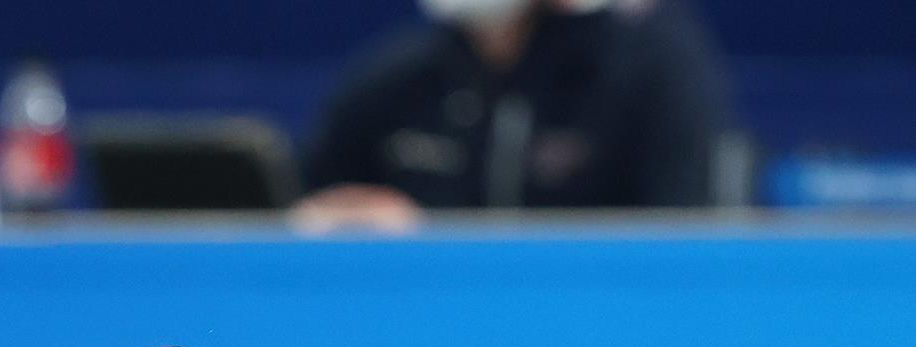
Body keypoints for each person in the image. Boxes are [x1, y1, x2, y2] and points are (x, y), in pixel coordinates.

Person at [295, 0, 733, 230]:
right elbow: (298, 211)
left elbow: (677, 237)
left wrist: (433, 241)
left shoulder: (651, 72)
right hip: (427, 323)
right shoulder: (392, 79)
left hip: (588, 326)